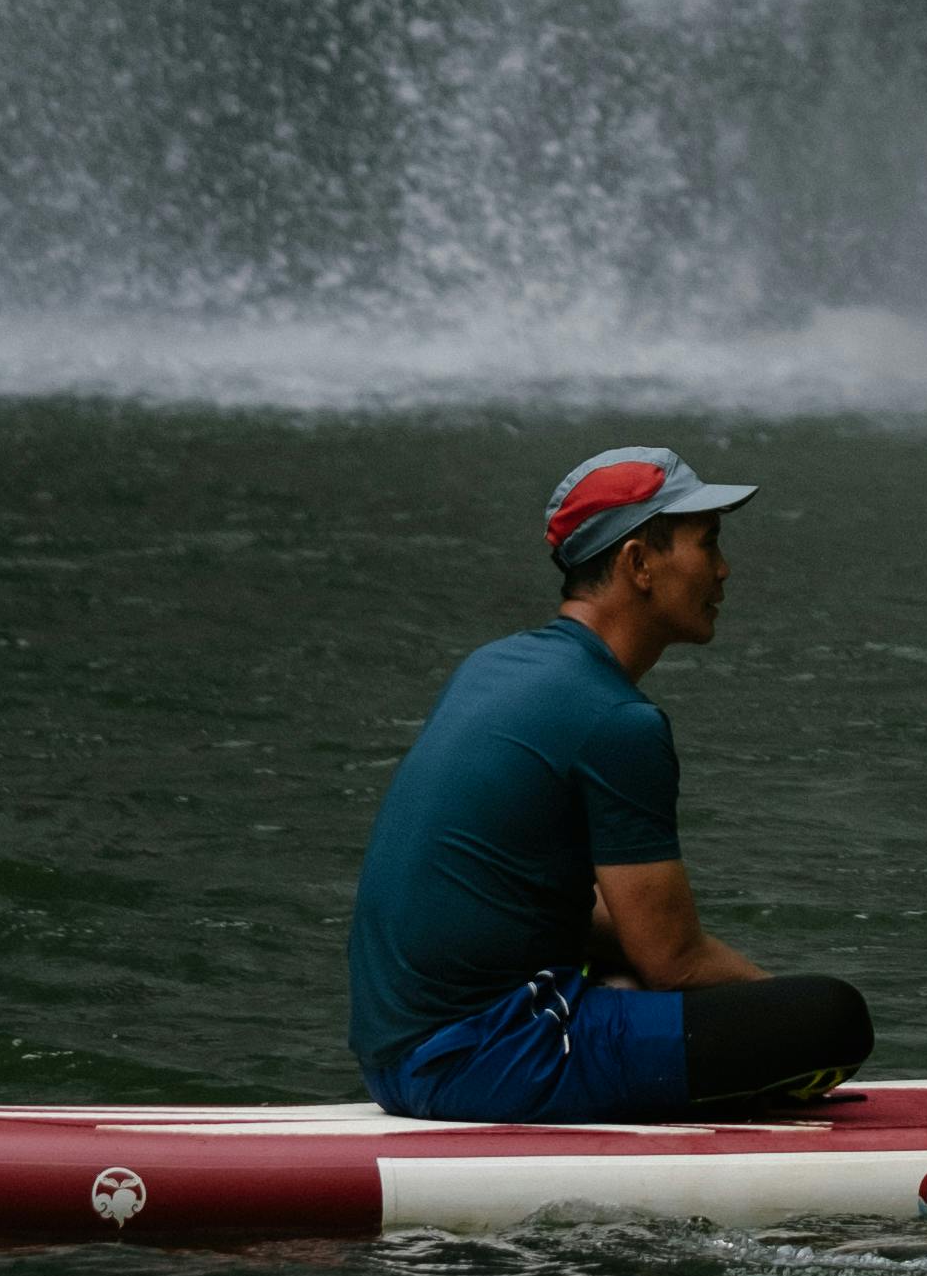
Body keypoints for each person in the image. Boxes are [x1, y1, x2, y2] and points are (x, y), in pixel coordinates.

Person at [348, 446, 872, 1119]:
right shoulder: (618, 722)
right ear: (639, 564)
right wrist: (773, 1011)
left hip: (392, 1055)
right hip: (486, 1057)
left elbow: (522, 896)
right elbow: (673, 962)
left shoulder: (492, 665)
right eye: (707, 544)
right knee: (830, 1019)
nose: (723, 569)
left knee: (631, 971)